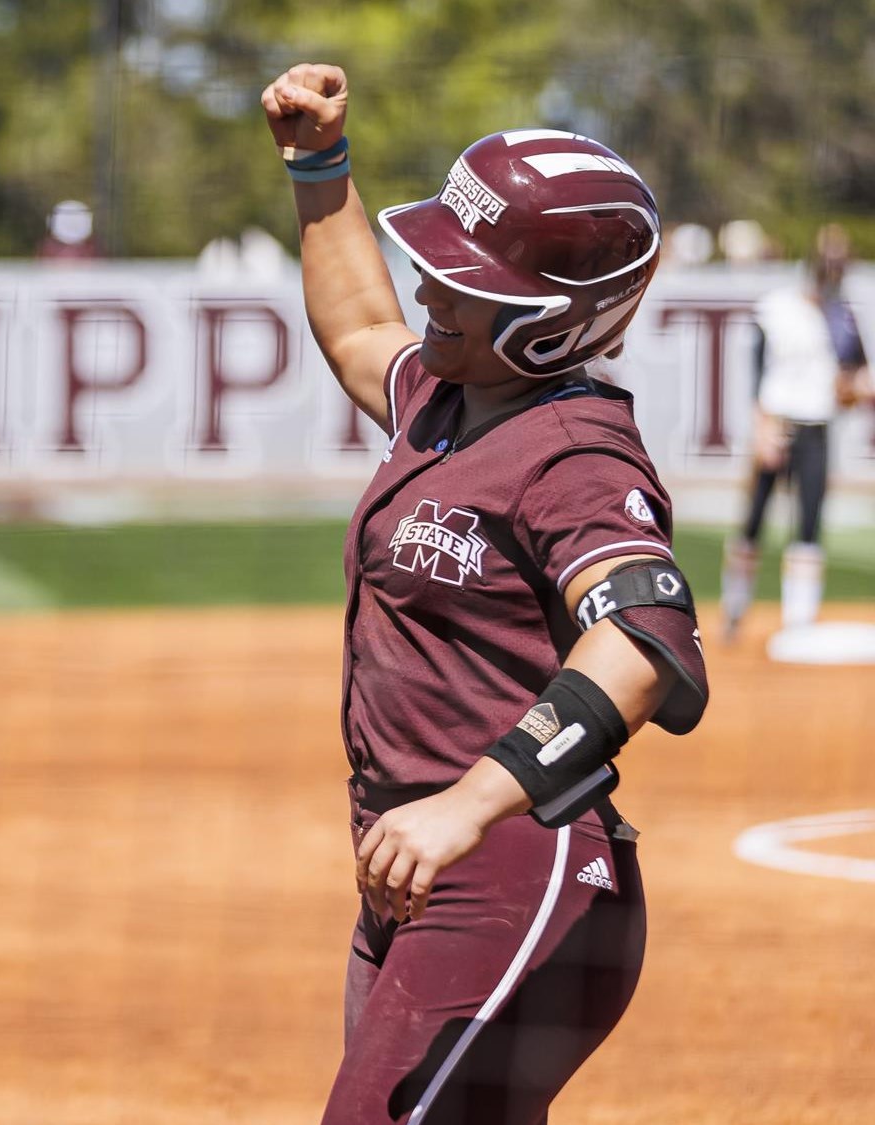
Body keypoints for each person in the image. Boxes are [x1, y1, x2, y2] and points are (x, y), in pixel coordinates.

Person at [261, 64, 710, 1124]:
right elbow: (356, 328)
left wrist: (465, 805)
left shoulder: (575, 456)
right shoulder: (446, 398)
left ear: (551, 318)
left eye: (466, 281)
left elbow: (640, 640)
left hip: (516, 872)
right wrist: (318, 167)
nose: (429, 291)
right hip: (416, 874)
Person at [721, 224, 868, 638]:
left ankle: (799, 619)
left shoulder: (843, 318)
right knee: (754, 519)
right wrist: (762, 427)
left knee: (809, 520)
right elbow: (758, 371)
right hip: (777, 421)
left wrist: (856, 389)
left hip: (816, 425)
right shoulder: (778, 308)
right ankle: (735, 606)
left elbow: (851, 380)